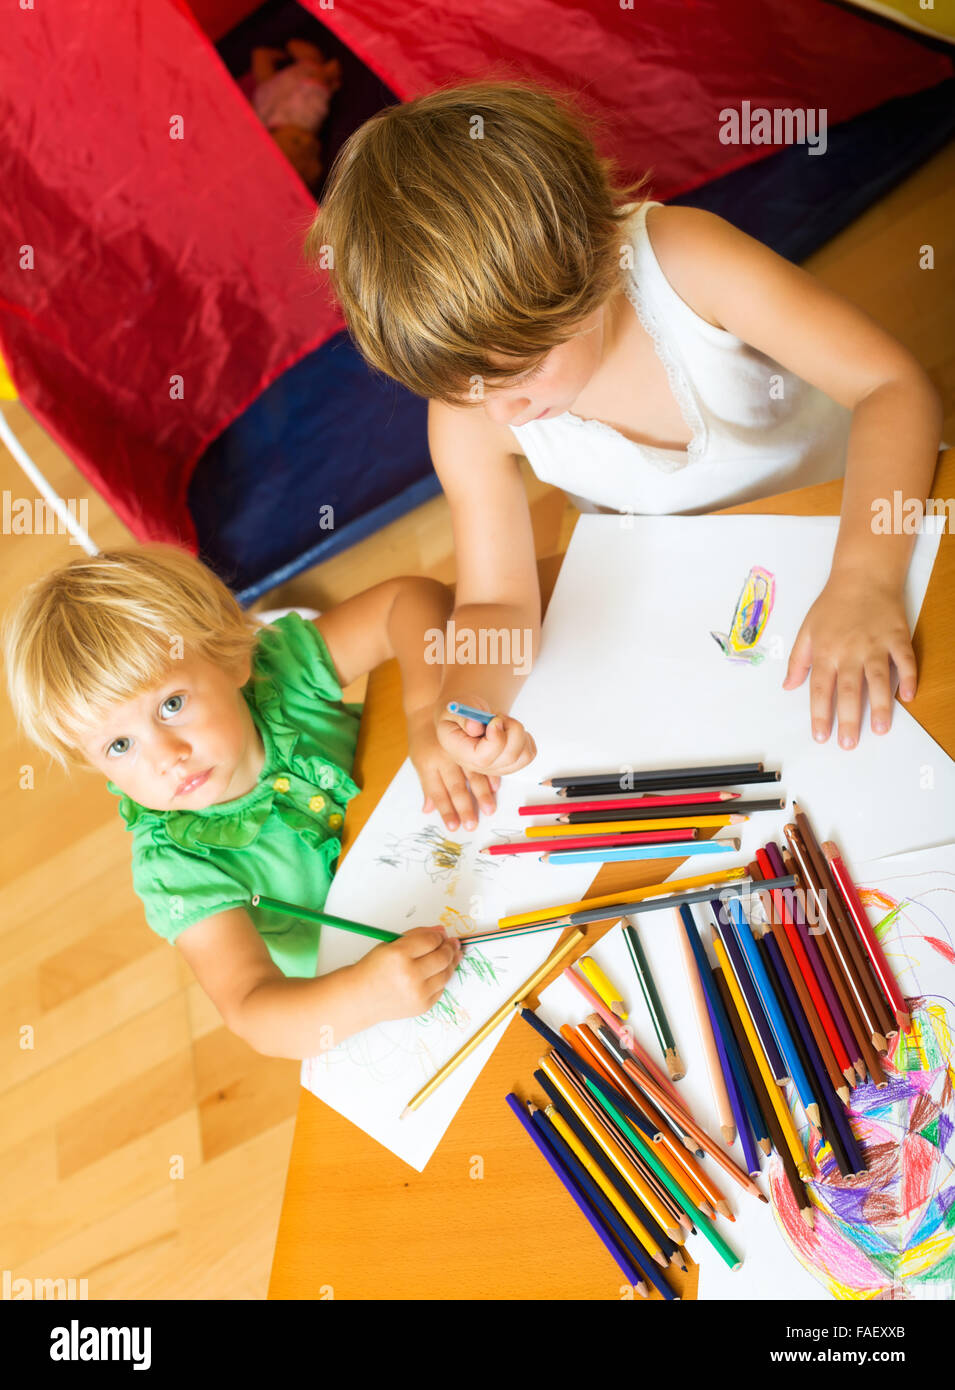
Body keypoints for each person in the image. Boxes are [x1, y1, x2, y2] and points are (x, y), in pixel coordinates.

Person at [305, 78, 942, 795]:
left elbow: (889, 387)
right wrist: (471, 704)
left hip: (862, 524)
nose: (501, 414)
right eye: (459, 391)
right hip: (706, 604)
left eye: (522, 373)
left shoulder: (685, 262)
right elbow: (496, 605)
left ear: (595, 253)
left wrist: (862, 579)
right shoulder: (474, 411)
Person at [1, 545, 496, 1060]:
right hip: (383, 985)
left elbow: (411, 599)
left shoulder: (280, 674)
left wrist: (422, 712)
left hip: (470, 839)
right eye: (119, 746)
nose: (168, 758)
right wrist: (366, 996)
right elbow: (251, 1009)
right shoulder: (176, 866)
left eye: (171, 705)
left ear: (231, 658)